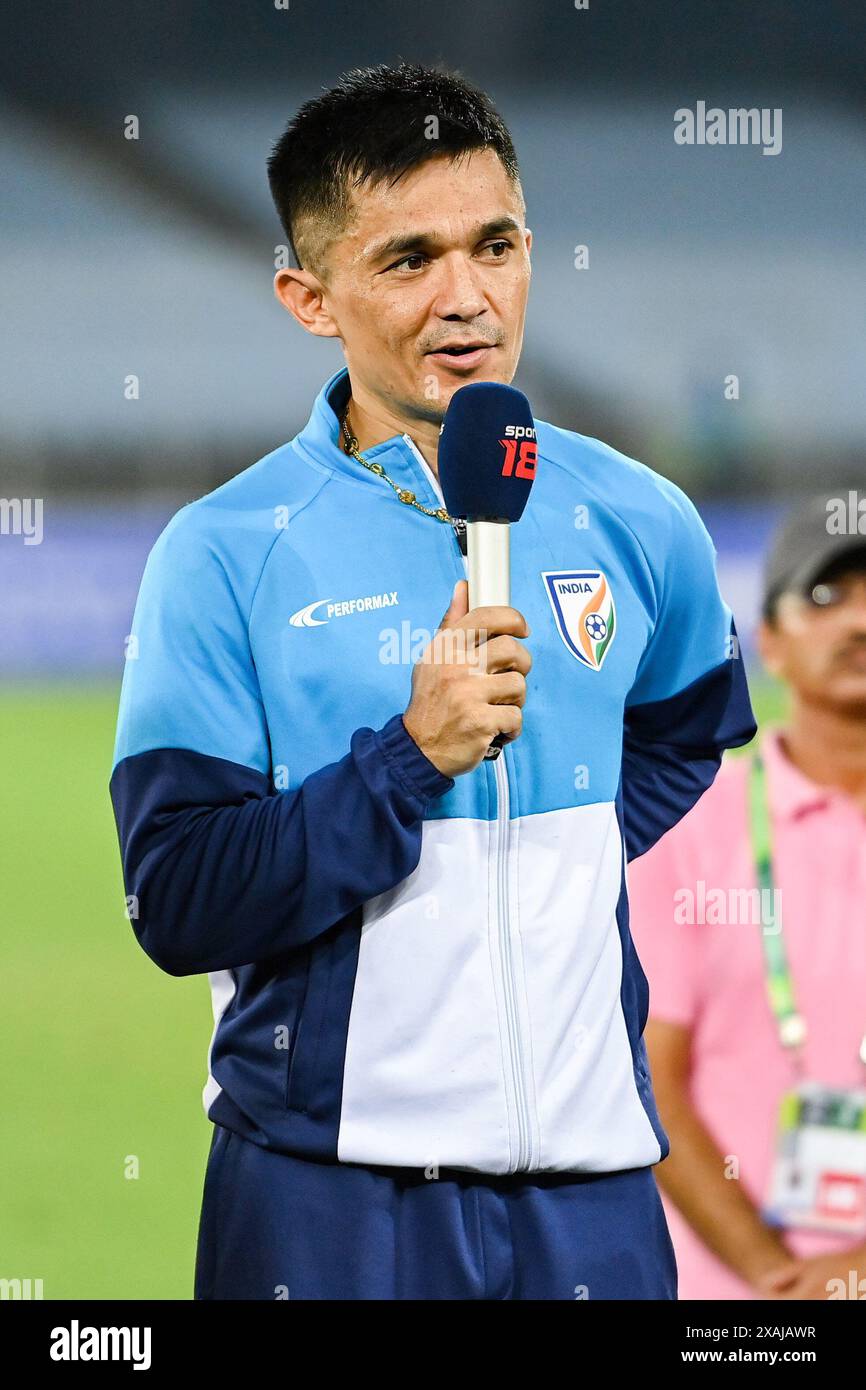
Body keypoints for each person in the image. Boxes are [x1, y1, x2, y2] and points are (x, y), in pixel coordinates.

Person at [109, 61, 756, 1301]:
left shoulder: (637, 512)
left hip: (595, 1191)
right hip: (329, 1196)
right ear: (310, 296)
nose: (467, 298)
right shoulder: (226, 550)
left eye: (495, 244)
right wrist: (408, 761)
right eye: (408, 260)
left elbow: (689, 723)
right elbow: (178, 901)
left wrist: (556, 855)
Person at [628, 495, 866, 1300]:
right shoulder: (690, 820)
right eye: (827, 597)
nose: (859, 623)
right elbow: (647, 1075)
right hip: (728, 1302)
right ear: (768, 641)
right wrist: (779, 1280)